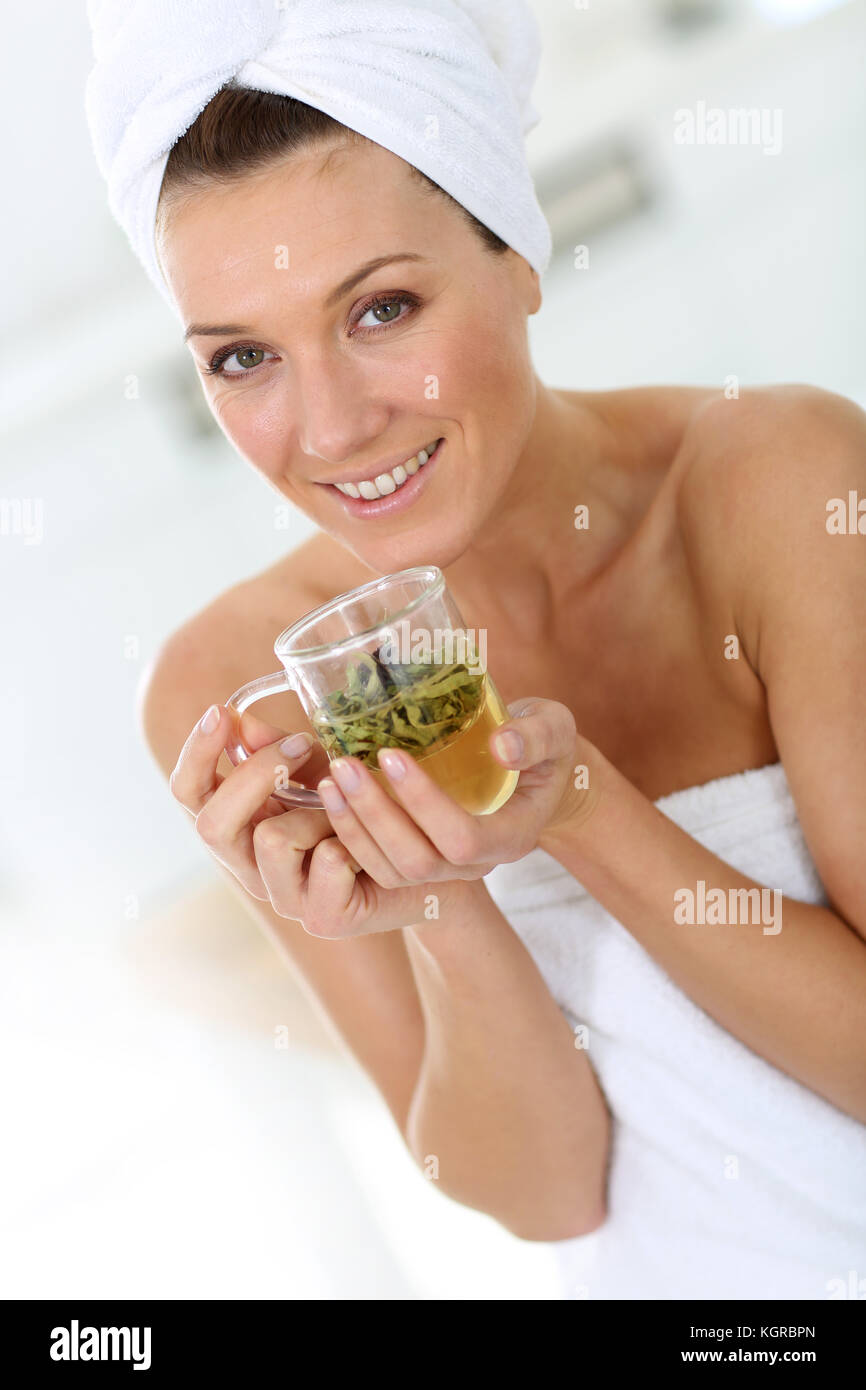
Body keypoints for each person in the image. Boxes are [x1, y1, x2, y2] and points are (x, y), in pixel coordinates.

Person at [87, 2, 866, 1300]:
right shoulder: (225, 678)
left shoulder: (775, 481)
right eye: (241, 357)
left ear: (514, 251)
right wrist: (434, 898)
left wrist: (577, 811)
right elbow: (542, 1193)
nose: (329, 426)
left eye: (381, 307)